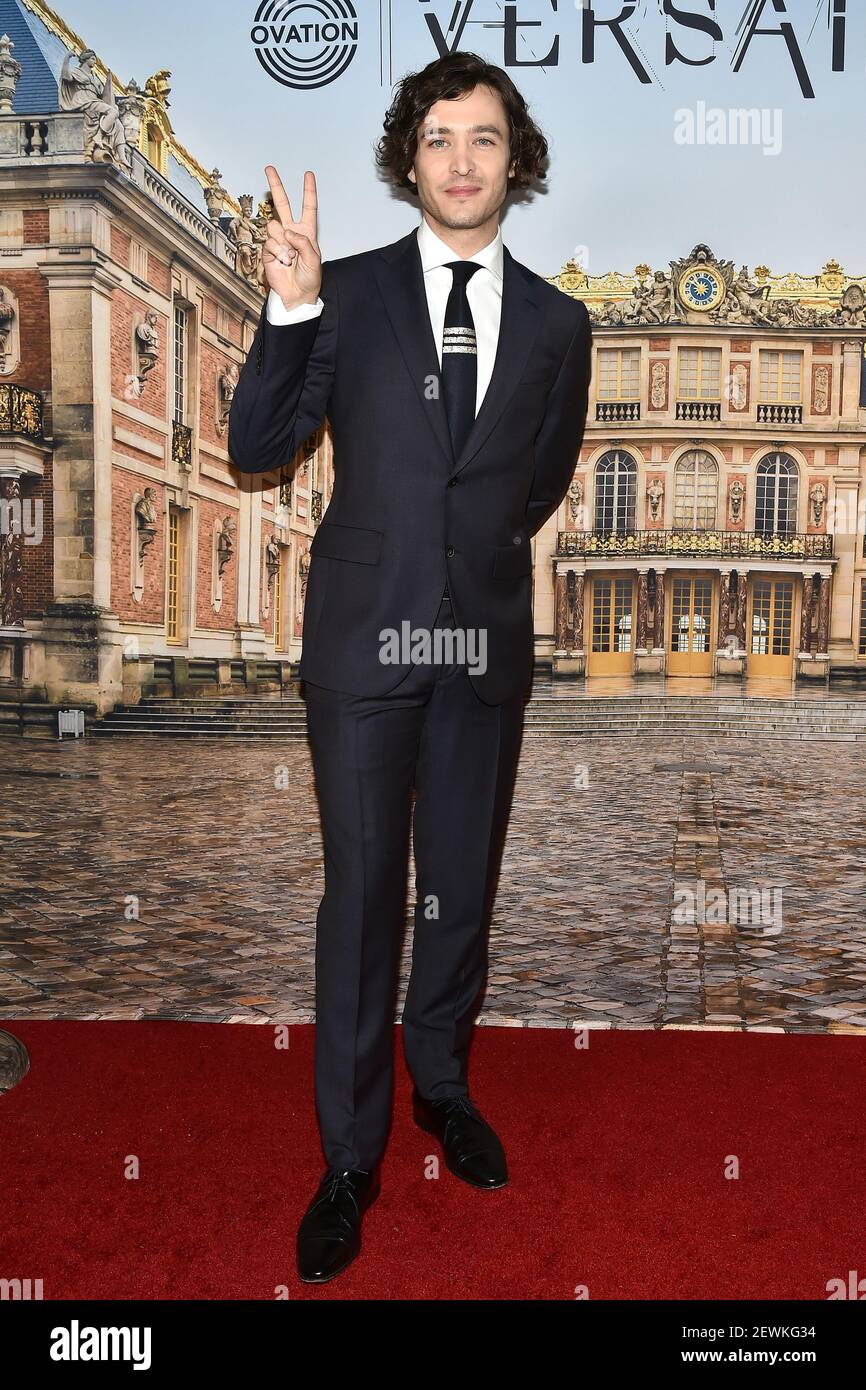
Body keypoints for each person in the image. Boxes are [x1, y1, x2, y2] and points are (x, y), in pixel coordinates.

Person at [228, 50, 592, 1285]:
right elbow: (257, 444)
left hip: (478, 645)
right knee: (364, 897)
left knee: (457, 889)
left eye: (483, 138)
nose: (459, 160)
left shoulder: (558, 323)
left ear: (514, 159)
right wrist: (287, 305)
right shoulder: (349, 291)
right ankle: (347, 1156)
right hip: (363, 642)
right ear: (409, 155)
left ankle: (441, 1085)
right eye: (437, 136)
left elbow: (531, 482)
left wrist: (467, 560)